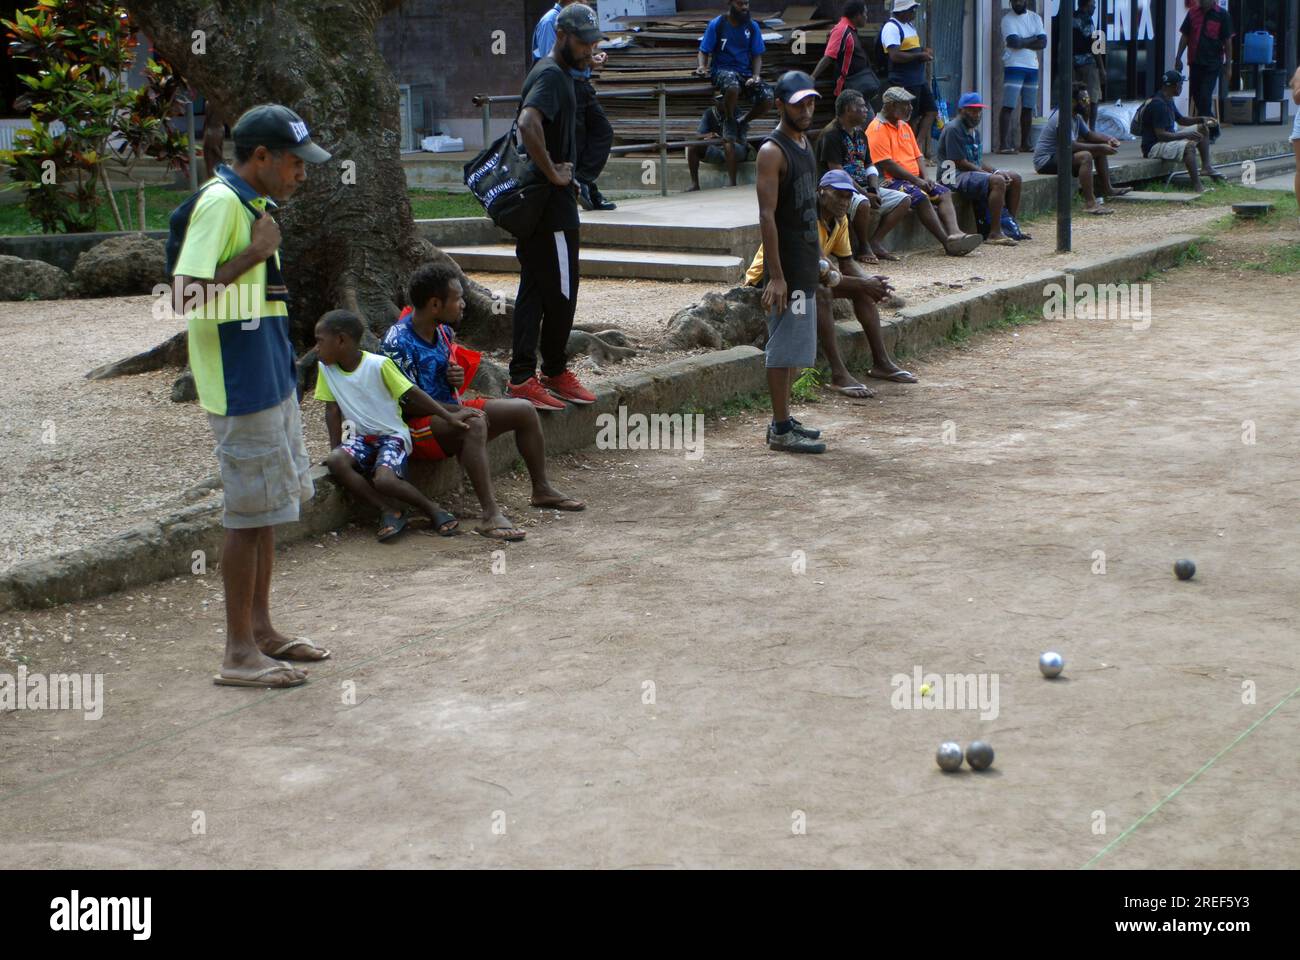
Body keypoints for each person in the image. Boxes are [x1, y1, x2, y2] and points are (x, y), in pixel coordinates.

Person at [170, 104, 331, 689]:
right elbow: (184, 298)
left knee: (266, 510)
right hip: (241, 386)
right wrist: (255, 254)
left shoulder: (253, 205)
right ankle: (237, 652)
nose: (302, 174)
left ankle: (261, 631)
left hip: (268, 376)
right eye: (295, 163)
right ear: (261, 157)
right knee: (246, 515)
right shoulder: (221, 205)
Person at [383, 260, 585, 537]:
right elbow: (406, 401)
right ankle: (491, 515)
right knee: (475, 423)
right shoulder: (398, 342)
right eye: (457, 299)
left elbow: (439, 379)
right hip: (416, 427)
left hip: (449, 412)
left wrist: (451, 377)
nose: (464, 304)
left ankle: (542, 490)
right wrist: (453, 413)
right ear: (434, 304)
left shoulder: (442, 330)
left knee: (524, 410)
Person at [745, 169, 916, 398]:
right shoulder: (805, 217)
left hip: (804, 277)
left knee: (862, 290)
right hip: (770, 281)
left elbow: (846, 263)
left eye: (848, 196)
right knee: (823, 291)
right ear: (822, 193)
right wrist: (863, 284)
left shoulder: (839, 219)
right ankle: (838, 374)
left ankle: (882, 363)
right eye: (839, 195)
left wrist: (870, 283)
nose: (845, 201)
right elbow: (822, 271)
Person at [314, 310, 476, 540]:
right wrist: (336, 447)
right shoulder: (326, 369)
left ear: (341, 340)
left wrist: (449, 416)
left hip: (392, 436)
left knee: (384, 479)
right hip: (360, 437)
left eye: (320, 341)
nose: (316, 348)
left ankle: (432, 509)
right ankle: (388, 509)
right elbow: (332, 410)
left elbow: (413, 393)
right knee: (336, 461)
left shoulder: (378, 365)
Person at [510, 3, 601, 412]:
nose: (588, 50)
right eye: (582, 42)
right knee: (563, 290)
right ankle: (554, 370)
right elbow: (528, 124)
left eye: (592, 43)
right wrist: (554, 173)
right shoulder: (549, 74)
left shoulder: (562, 75)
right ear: (561, 36)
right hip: (550, 207)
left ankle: (522, 376)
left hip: (540, 205)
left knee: (533, 289)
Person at [755, 71, 826, 454]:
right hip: (786, 269)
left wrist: (821, 258)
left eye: (811, 101)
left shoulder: (804, 142)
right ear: (780, 104)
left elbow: (808, 206)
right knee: (783, 346)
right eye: (799, 103)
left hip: (804, 260)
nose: (807, 109)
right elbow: (767, 216)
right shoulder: (772, 151)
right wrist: (777, 276)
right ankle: (781, 428)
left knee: (796, 345)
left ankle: (782, 419)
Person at [867, 86, 983, 256]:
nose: (911, 108)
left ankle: (955, 233)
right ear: (891, 105)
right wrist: (917, 181)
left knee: (943, 192)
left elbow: (918, 156)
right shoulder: (877, 128)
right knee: (920, 197)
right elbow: (887, 165)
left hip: (912, 179)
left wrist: (926, 178)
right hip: (890, 181)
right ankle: (947, 242)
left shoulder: (904, 126)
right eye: (905, 104)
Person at [533, 0, 616, 211]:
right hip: (567, 85)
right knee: (574, 141)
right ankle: (580, 185)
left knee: (601, 132)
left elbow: (574, 55)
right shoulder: (550, 22)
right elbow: (550, 60)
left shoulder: (579, 15)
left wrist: (590, 60)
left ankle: (583, 182)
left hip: (582, 84)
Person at [815, 88, 911, 263]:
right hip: (838, 190)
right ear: (848, 109)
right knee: (864, 203)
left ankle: (876, 241)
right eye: (861, 106)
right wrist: (866, 194)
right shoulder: (831, 134)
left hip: (863, 187)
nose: (866, 109)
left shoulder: (860, 133)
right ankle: (863, 246)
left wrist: (874, 188)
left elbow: (869, 165)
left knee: (904, 200)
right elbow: (838, 173)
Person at [938, 92, 1024, 246]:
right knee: (997, 181)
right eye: (971, 110)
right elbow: (960, 162)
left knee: (1014, 177)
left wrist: (996, 171)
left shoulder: (974, 131)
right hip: (951, 176)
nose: (976, 115)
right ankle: (994, 233)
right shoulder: (954, 129)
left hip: (968, 173)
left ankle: (1011, 225)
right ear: (961, 111)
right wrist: (991, 175)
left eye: (978, 111)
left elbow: (977, 160)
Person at [1032, 82, 1130, 215]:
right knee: (1085, 156)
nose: (1088, 103)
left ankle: (1108, 189)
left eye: (1088, 99)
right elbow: (1070, 145)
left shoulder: (1076, 117)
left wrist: (1108, 139)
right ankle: (1090, 203)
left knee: (1098, 152)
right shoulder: (1062, 117)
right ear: (1073, 101)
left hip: (1060, 156)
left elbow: (1089, 134)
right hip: (1046, 161)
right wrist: (1100, 147)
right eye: (1084, 100)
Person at [695, 0, 774, 145]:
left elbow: (757, 55)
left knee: (768, 97)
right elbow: (704, 50)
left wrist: (756, 76)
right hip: (722, 71)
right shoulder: (717, 24)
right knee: (732, 85)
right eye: (740, 3)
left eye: (747, 3)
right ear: (730, 3)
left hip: (744, 73)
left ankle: (742, 122)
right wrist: (702, 66)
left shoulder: (752, 26)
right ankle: (729, 120)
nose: (744, 7)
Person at [1140, 71, 1225, 193]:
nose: (1181, 87)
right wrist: (1185, 135)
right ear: (1173, 86)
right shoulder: (1158, 104)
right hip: (1154, 146)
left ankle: (1206, 167)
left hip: (1166, 139)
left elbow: (1181, 120)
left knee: (1202, 128)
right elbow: (1161, 135)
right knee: (1189, 147)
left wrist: (1202, 119)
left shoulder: (1168, 99)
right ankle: (1198, 187)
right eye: (1180, 84)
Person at [879, 0, 937, 160]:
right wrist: (920, 56)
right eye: (912, 10)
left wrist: (924, 51)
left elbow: (911, 48)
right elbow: (895, 55)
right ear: (903, 11)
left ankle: (916, 145)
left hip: (918, 79)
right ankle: (907, 153)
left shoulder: (909, 26)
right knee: (908, 117)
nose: (914, 13)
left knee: (931, 110)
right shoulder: (891, 27)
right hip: (904, 80)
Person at [1175, 0, 1234, 141]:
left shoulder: (1222, 15)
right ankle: (1213, 126)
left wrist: (1228, 66)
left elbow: (1227, 42)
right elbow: (1185, 36)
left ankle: (1207, 134)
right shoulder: (1192, 13)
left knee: (1204, 98)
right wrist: (1178, 57)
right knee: (1197, 97)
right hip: (1195, 62)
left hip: (1212, 64)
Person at [998, 0, 1046, 154]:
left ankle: (1025, 143)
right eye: (1014, 0)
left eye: (1020, 0)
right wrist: (1033, 38)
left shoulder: (1035, 18)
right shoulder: (1007, 19)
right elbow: (1013, 42)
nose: (1017, 3)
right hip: (1014, 64)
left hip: (1032, 66)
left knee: (1028, 107)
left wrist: (1022, 41)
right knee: (1009, 105)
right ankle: (1003, 145)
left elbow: (1043, 42)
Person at [811, 1, 879, 104]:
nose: (866, 17)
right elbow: (829, 56)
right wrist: (812, 77)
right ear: (857, 15)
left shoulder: (850, 29)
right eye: (865, 13)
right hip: (849, 86)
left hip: (858, 84)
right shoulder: (841, 30)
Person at [687, 94, 753, 190]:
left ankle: (732, 183)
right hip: (716, 150)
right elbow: (699, 135)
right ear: (714, 101)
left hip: (736, 149)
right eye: (720, 100)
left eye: (726, 99)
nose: (724, 103)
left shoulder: (737, 112)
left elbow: (742, 139)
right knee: (692, 146)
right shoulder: (709, 113)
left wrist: (725, 139)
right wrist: (710, 135)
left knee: (728, 144)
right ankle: (695, 184)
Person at [1066, 0, 1105, 131]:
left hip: (1073, 64)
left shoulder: (1071, 18)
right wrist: (1102, 68)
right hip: (1088, 64)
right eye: (1093, 3)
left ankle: (1078, 129)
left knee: (1077, 98)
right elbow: (1095, 45)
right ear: (1087, 4)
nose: (1094, 6)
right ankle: (1090, 130)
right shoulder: (1087, 19)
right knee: (1092, 99)